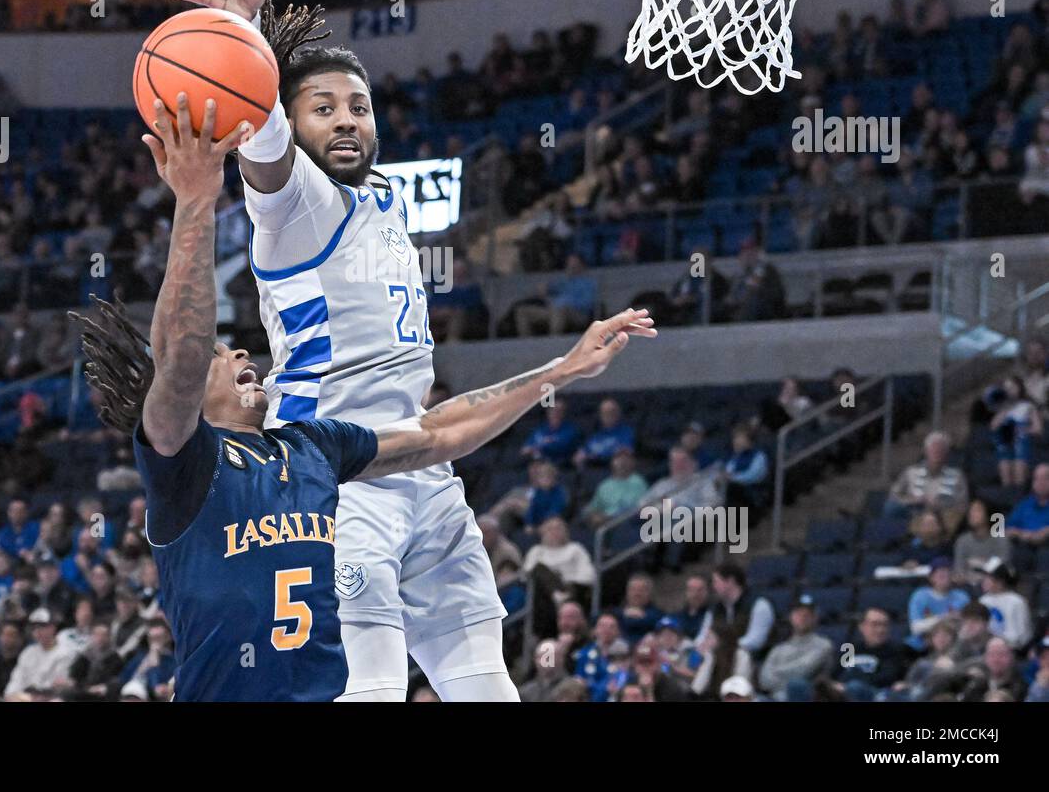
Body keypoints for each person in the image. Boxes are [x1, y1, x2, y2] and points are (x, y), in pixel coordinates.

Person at [163, 0, 657, 702]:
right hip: (338, 484)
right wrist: (242, 33)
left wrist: (562, 366)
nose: (348, 119)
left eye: (358, 105)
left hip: (425, 471)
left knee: (489, 687)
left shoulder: (384, 201)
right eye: (322, 108)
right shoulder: (298, 205)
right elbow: (262, 139)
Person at [71, 82, 656, 701]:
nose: (240, 351)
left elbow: (435, 433)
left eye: (357, 107)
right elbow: (182, 356)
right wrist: (195, 200)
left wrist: (560, 370)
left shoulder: (313, 448)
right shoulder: (183, 466)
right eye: (223, 353)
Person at [758, 594, 834, 700]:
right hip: (775, 697)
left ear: (815, 618)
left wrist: (776, 671)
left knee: (795, 686)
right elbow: (764, 680)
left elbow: (803, 670)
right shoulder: (778, 649)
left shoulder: (824, 645)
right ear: (791, 616)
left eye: (808, 614)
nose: (803, 617)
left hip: (808, 697)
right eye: (799, 613)